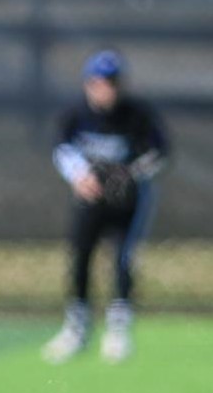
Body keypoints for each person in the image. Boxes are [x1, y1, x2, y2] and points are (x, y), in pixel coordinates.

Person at [42, 49, 171, 364]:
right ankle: (77, 328)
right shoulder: (76, 115)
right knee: (81, 256)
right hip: (90, 199)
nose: (106, 89)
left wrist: (129, 175)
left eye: (112, 83)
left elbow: (160, 153)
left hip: (129, 203)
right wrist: (80, 175)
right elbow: (60, 148)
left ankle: (118, 329)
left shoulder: (137, 115)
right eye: (99, 83)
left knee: (122, 259)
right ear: (88, 84)